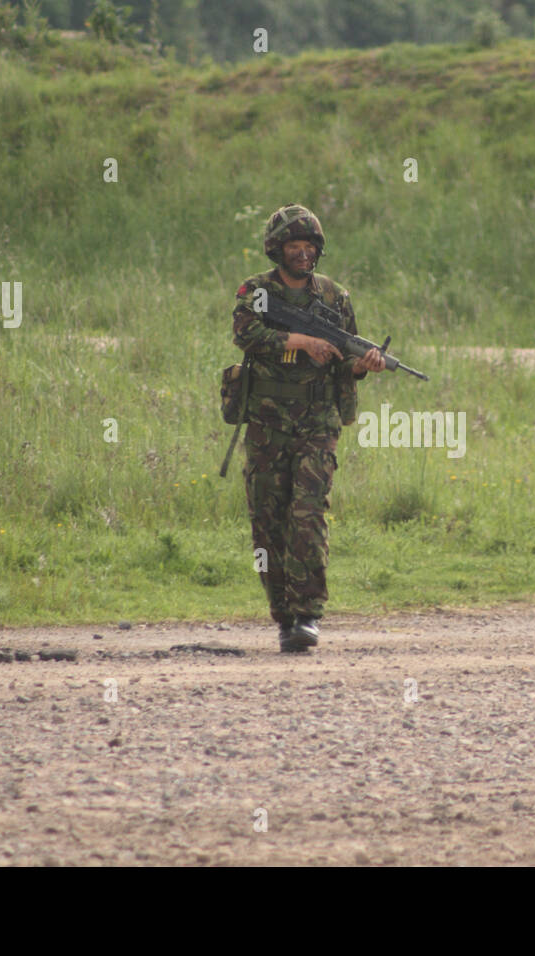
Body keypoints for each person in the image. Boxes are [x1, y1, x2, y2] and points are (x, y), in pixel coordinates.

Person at [232, 203, 386, 653]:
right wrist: (301, 341)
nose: (302, 254)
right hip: (266, 425)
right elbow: (246, 335)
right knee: (268, 521)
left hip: (317, 424)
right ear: (277, 249)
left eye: (309, 247)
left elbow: (348, 360)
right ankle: (283, 615)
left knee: (307, 514)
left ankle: (308, 614)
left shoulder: (335, 296)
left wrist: (365, 365)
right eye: (293, 247)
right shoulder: (257, 291)